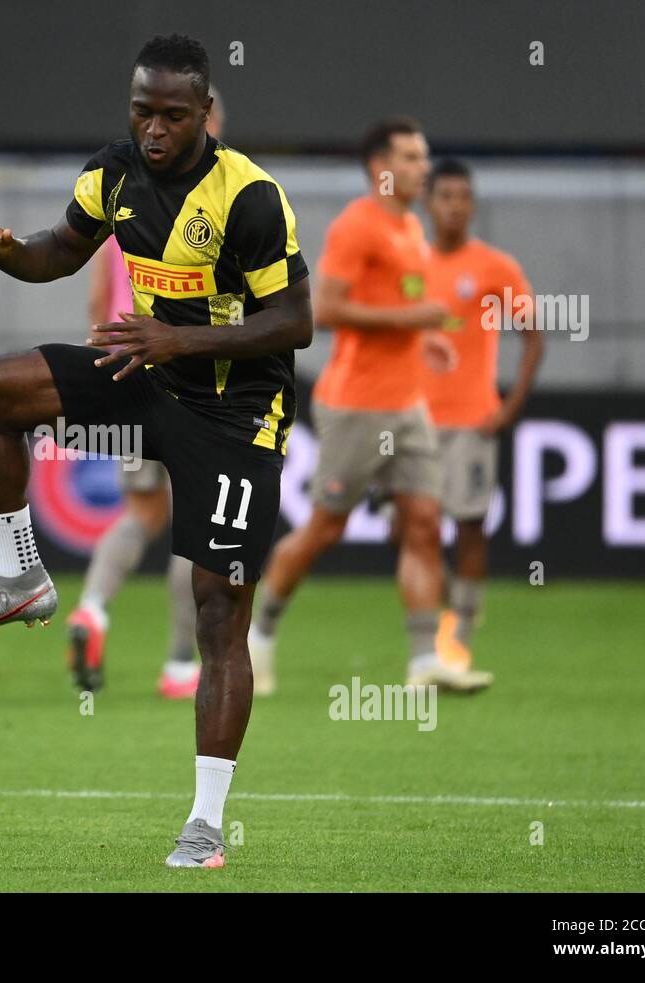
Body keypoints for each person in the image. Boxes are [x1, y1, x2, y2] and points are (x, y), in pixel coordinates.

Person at [0, 35, 311, 867]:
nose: (156, 130)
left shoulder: (249, 196)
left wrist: (179, 336)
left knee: (218, 611)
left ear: (206, 114)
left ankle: (206, 824)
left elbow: (296, 323)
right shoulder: (113, 174)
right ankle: (21, 578)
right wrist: (7, 253)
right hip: (148, 373)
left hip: (236, 411)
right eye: (143, 112)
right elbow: (61, 254)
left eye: (175, 115)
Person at [247, 117, 492, 694]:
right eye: (411, 157)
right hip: (357, 406)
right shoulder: (358, 226)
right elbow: (324, 312)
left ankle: (423, 662)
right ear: (381, 167)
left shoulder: (409, 228)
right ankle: (257, 638)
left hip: (409, 407)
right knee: (325, 530)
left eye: (423, 156)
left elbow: (394, 306)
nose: (422, 168)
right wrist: (413, 321)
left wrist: (420, 337)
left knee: (425, 525)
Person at [67, 85, 225, 699]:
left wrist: (96, 366)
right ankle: (182, 664)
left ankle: (94, 608)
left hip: (121, 364)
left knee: (140, 512)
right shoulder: (208, 202)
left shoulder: (116, 195)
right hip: (186, 375)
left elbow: (92, 296)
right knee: (194, 520)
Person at [422, 158, 543, 667]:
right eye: (446, 195)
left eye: (463, 196)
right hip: (413, 422)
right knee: (410, 527)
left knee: (469, 525)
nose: (455, 205)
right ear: (428, 202)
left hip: (472, 418)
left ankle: (462, 633)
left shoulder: (495, 267)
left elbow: (533, 336)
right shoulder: (408, 262)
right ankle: (446, 609)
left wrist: (510, 405)